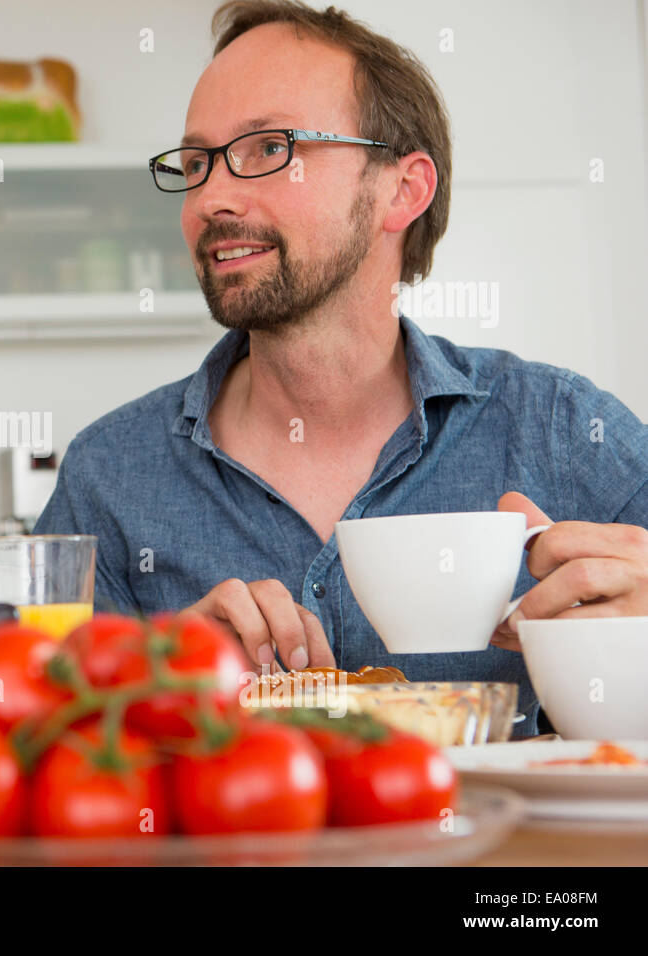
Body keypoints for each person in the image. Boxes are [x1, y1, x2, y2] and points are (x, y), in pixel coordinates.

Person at [34, 0, 648, 734]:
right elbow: (37, 750)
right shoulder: (108, 474)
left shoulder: (564, 431)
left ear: (402, 189)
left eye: (268, 149)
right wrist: (151, 684)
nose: (212, 198)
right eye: (196, 163)